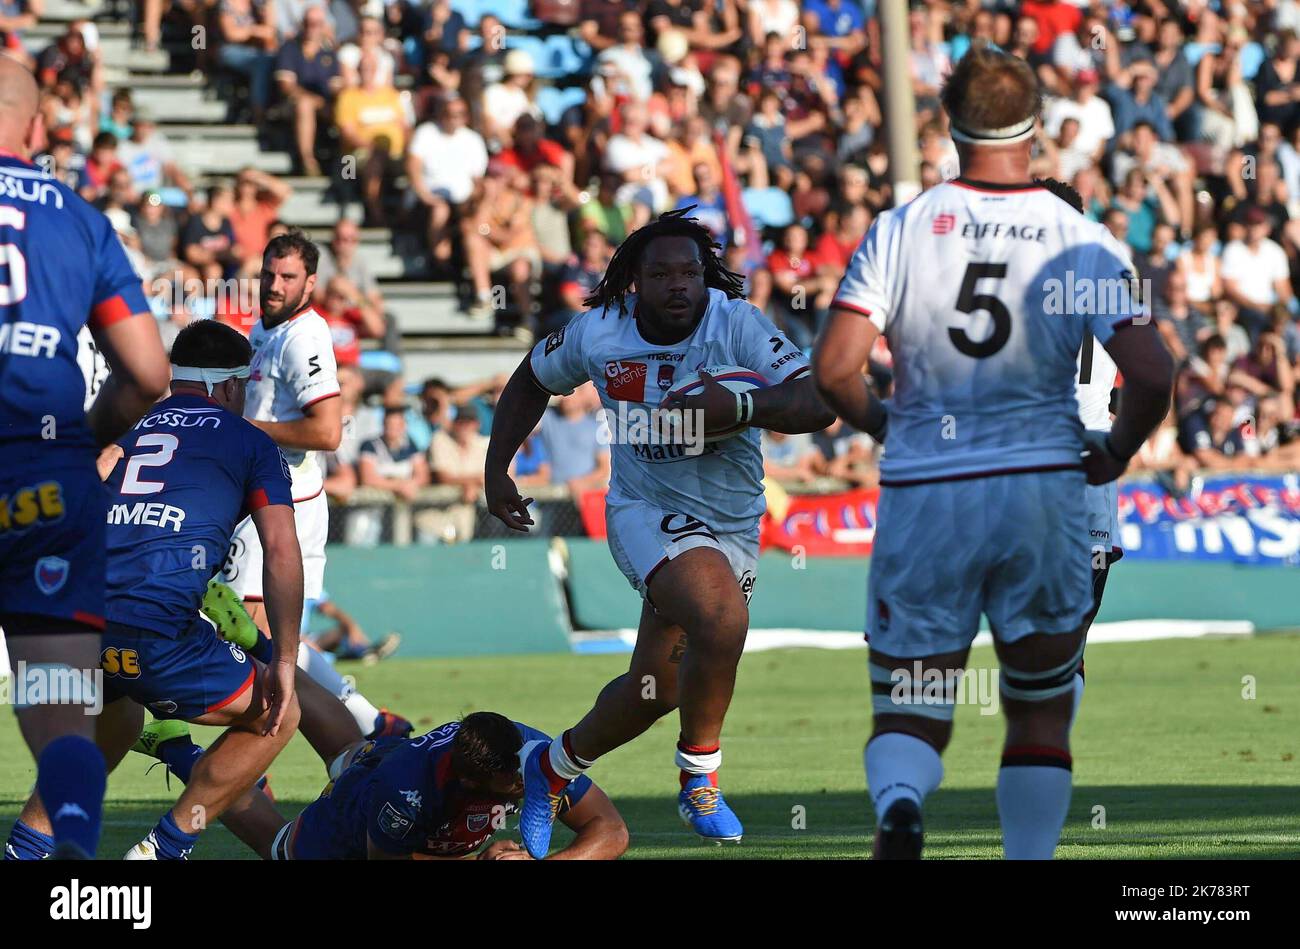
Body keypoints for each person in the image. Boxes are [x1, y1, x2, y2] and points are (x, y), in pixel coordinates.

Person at [813, 47, 1173, 860]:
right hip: (1044, 491)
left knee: (913, 696)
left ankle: (902, 799)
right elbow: (1153, 373)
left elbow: (834, 369)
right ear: (1036, 125)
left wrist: (883, 425)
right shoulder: (1082, 239)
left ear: (950, 124)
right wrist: (1114, 449)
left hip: (929, 492)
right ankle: (1028, 856)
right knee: (1042, 699)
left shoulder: (901, 228)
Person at [486, 208, 834, 856]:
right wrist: (494, 466)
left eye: (691, 272)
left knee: (656, 689)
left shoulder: (735, 323)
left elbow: (818, 398)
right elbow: (532, 378)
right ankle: (700, 777)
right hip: (643, 511)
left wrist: (745, 404)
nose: (680, 284)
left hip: (733, 522)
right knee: (721, 617)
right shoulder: (601, 332)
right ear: (634, 282)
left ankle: (551, 768)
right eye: (663, 272)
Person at [6, 321, 304, 860]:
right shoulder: (250, 442)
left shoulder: (131, 431)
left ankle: (24, 852)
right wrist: (283, 656)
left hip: (76, 621)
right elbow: (281, 551)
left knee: (115, 723)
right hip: (154, 628)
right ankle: (165, 849)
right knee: (277, 710)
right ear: (230, 387)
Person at [0, 56, 171, 860]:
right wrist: (91, 438)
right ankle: (71, 864)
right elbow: (146, 374)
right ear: (37, 129)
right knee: (63, 713)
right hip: (47, 481)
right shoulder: (78, 217)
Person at [220, 229, 409, 741]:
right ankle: (371, 723)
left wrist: (244, 430)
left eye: (287, 277)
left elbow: (326, 431)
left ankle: (254, 771)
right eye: (268, 274)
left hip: (282, 505)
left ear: (310, 283)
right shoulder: (266, 330)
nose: (274, 285)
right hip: (266, 501)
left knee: (248, 640)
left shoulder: (304, 335)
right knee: (274, 639)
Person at [263, 713, 628, 860]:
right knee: (280, 846)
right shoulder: (407, 792)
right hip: (347, 828)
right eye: (513, 781)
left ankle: (365, 747)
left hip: (398, 760)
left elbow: (612, 831)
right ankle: (213, 776)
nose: (524, 784)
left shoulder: (536, 756)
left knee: (361, 754)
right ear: (471, 782)